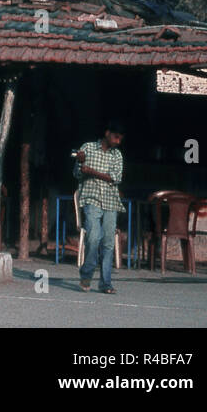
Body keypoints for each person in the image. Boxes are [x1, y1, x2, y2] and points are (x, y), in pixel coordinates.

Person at [74, 122, 125, 294]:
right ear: (107, 133)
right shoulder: (87, 148)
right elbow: (77, 174)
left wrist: (91, 171)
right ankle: (86, 274)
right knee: (94, 237)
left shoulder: (117, 155)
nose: (118, 141)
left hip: (111, 201)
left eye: (120, 139)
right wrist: (81, 164)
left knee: (108, 243)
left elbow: (115, 178)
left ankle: (105, 283)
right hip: (91, 199)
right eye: (116, 137)